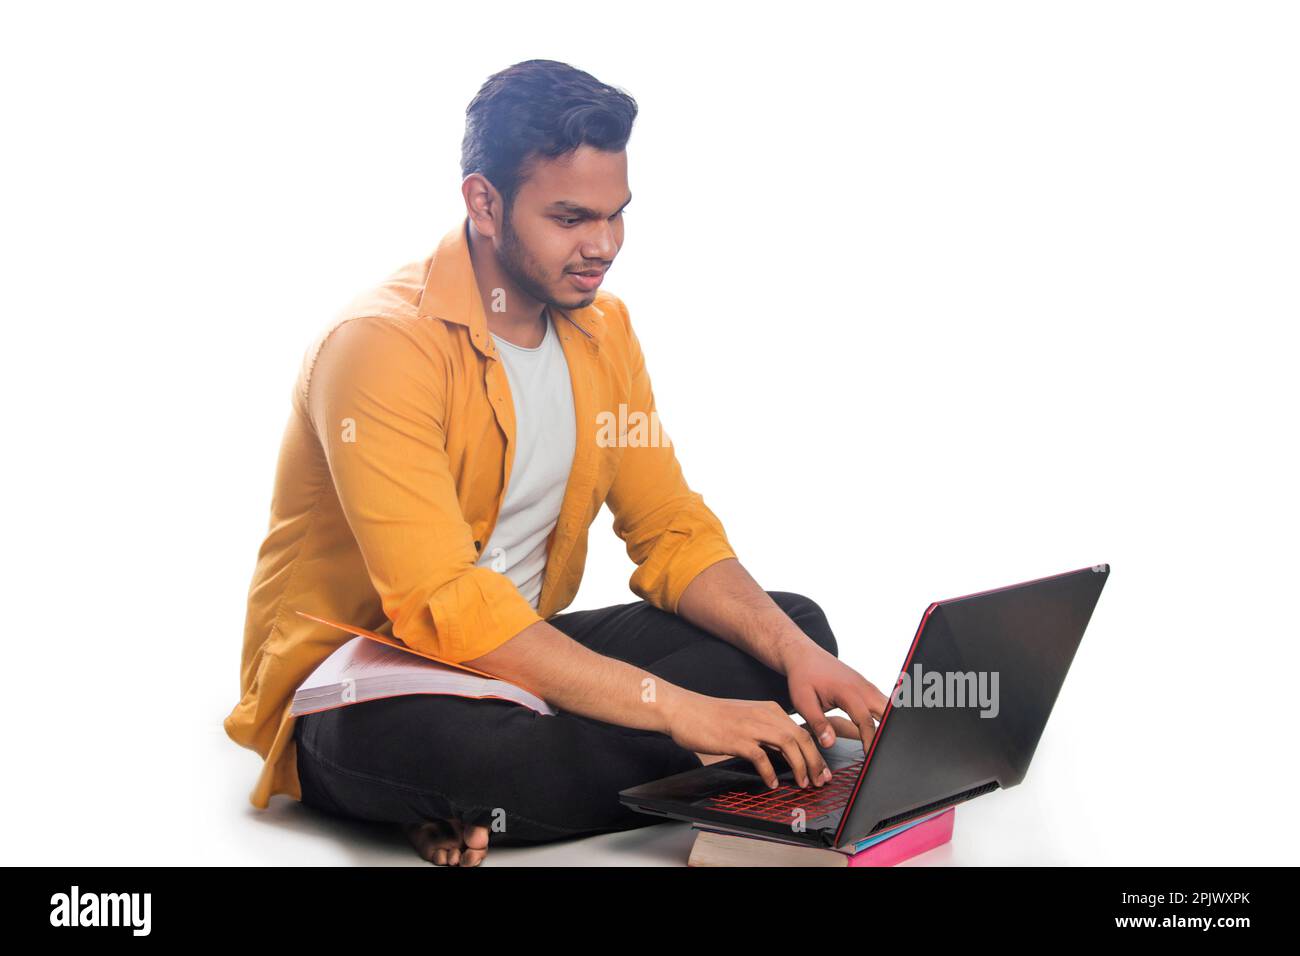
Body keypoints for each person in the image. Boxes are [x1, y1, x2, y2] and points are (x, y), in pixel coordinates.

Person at [224, 58, 889, 867]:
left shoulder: (602, 331)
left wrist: (792, 659)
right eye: (571, 217)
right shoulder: (380, 347)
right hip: (359, 684)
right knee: (505, 764)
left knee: (796, 633)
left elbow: (672, 530)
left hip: (512, 659)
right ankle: (723, 752)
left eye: (616, 216)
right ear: (483, 200)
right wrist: (682, 712)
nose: (602, 245)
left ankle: (668, 754)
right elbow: (444, 601)